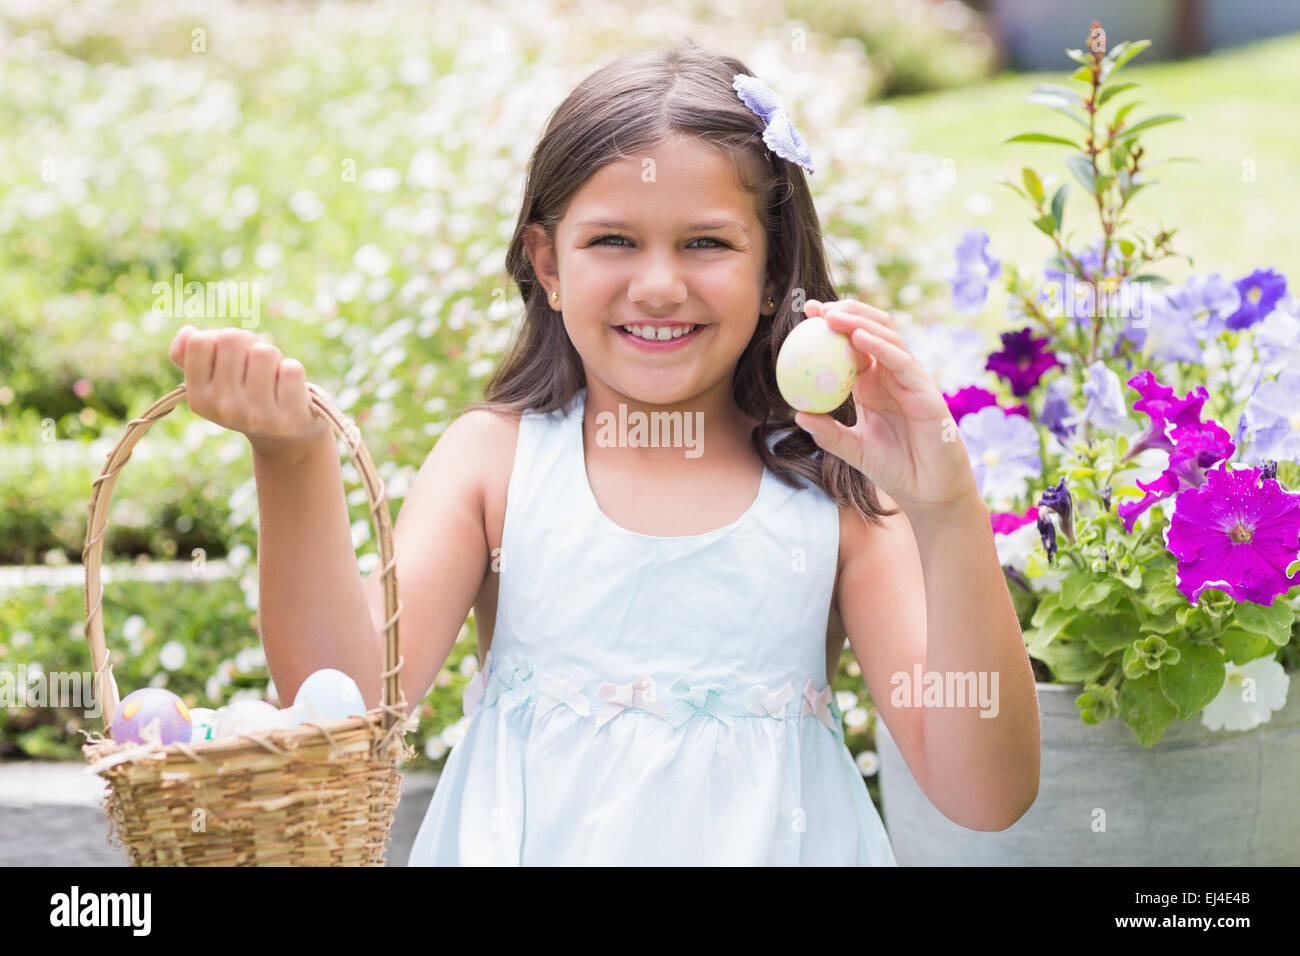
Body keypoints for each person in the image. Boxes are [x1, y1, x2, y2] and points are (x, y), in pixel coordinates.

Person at [168, 39, 1040, 866]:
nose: (659, 284)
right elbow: (344, 707)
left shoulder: (833, 492)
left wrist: (945, 507)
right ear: (547, 264)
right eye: (613, 240)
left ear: (773, 270)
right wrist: (291, 460)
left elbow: (986, 792)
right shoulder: (494, 467)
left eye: (707, 243)